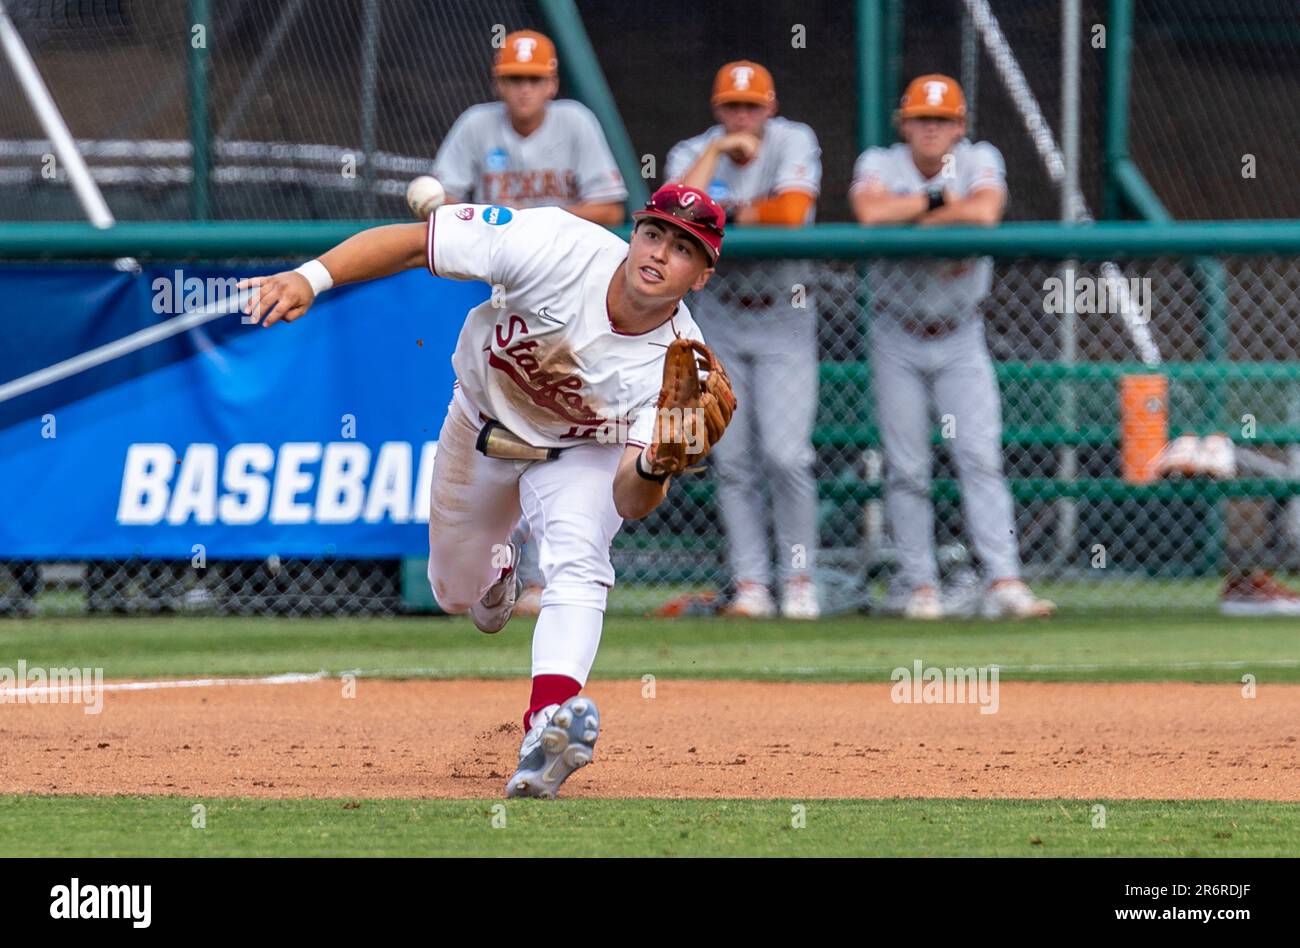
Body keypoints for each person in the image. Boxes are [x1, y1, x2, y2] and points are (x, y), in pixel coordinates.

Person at [239, 183, 730, 798]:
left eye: (683, 248)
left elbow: (632, 502)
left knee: (580, 557)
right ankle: (499, 569)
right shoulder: (553, 243)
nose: (659, 253)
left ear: (702, 275)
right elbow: (417, 244)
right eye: (654, 233)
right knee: (453, 592)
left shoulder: (680, 364)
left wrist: (656, 465)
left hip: (582, 451)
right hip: (484, 425)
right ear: (634, 234)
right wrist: (312, 278)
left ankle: (546, 726)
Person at [433, 29, 630, 615]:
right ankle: (499, 559)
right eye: (514, 79)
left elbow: (611, 206)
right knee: (491, 424)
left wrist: (526, 228)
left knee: (561, 428)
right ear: (500, 83)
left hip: (565, 300)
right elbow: (443, 199)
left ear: (552, 82)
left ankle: (555, 575)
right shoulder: (476, 126)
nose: (524, 90)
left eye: (535, 78)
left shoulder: (574, 123)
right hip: (499, 303)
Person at [850, 74, 1055, 620]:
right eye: (922, 119)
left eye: (942, 120)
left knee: (979, 457)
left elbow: (986, 210)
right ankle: (920, 585)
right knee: (907, 466)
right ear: (905, 124)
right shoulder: (878, 162)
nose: (931, 129)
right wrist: (943, 203)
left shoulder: (980, 156)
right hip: (896, 330)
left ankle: (1004, 579)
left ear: (959, 126)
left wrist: (914, 217)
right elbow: (870, 213)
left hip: (961, 331)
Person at [665, 60, 822, 619]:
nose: (743, 116)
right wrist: (717, 155)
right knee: (731, 460)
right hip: (722, 314)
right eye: (733, 107)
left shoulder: (794, 139)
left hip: (783, 312)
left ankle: (799, 576)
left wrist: (724, 215)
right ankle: (751, 582)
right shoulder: (693, 150)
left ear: (770, 107)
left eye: (752, 106)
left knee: (786, 455)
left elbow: (790, 213)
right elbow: (677, 213)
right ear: (718, 110)